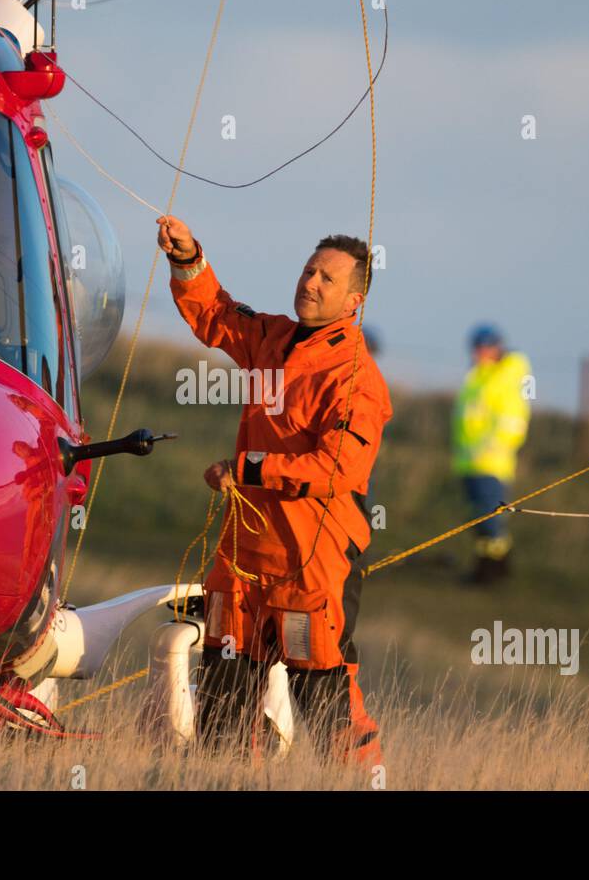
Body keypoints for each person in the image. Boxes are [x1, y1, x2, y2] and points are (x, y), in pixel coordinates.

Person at [157, 214, 391, 766]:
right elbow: (215, 315)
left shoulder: (357, 378)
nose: (310, 283)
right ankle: (223, 779)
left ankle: (362, 780)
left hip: (313, 560)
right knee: (224, 689)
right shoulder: (273, 339)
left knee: (324, 696)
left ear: (354, 300)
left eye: (327, 279)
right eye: (309, 271)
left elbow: (337, 467)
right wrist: (188, 259)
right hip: (244, 555)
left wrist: (249, 468)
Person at [451, 324, 531, 583]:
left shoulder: (506, 377)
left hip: (491, 463)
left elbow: (513, 421)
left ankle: (497, 570)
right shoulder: (478, 376)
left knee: (491, 519)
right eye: (475, 347)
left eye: (483, 347)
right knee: (478, 518)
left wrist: (492, 447)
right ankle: (483, 570)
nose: (478, 352)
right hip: (469, 462)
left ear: (496, 347)